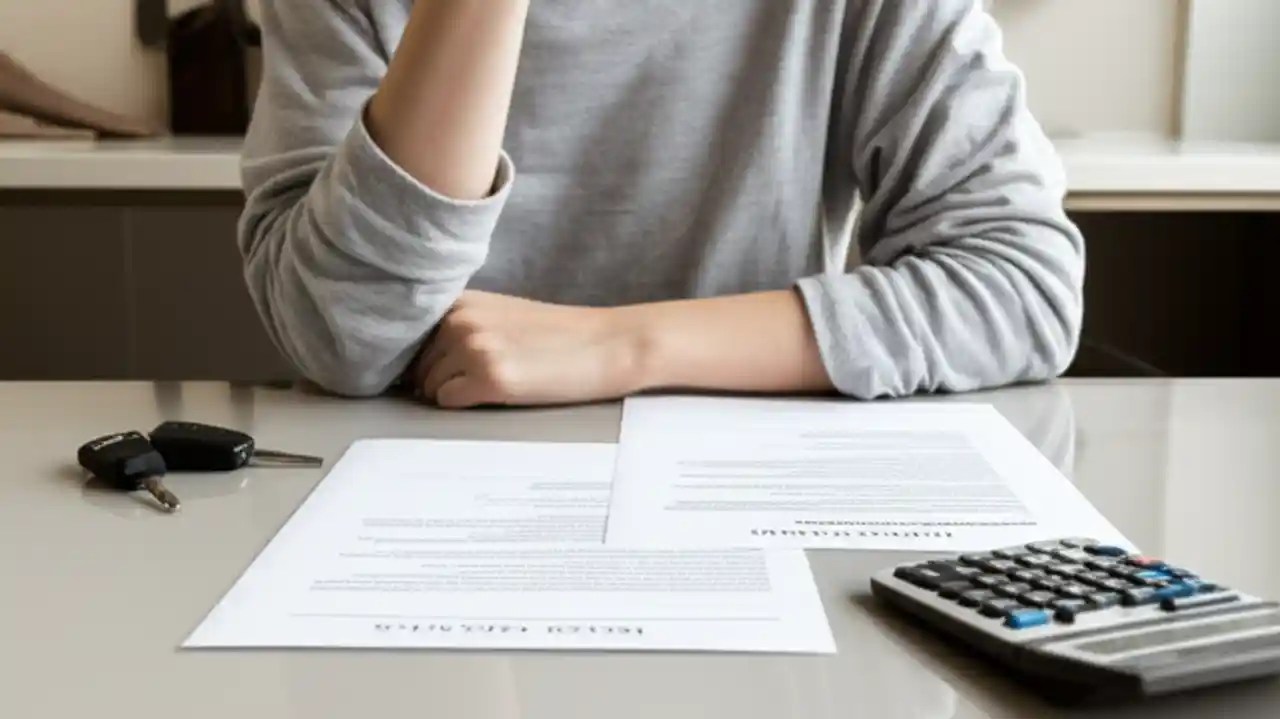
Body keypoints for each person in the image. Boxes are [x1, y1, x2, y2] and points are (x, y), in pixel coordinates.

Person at [239, 0, 1084, 408]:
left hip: (755, 495)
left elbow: (1021, 285)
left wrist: (619, 345)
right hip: (412, 513)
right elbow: (341, 336)